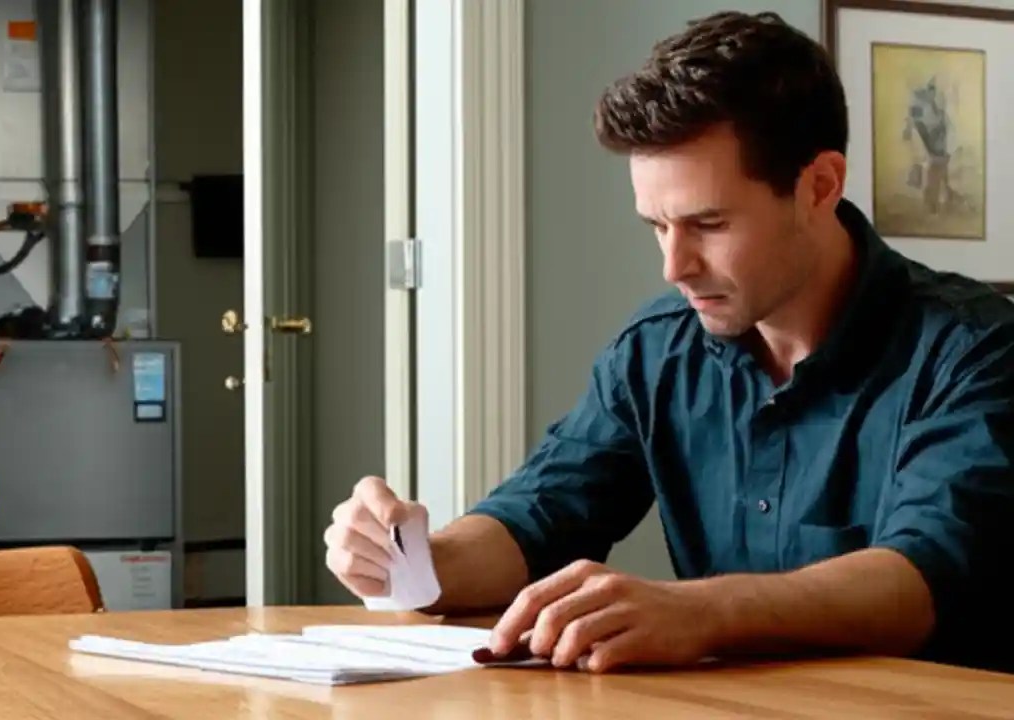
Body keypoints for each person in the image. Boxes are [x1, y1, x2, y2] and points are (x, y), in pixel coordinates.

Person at [322, 10, 1014, 675]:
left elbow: (921, 578)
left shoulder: (976, 350)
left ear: (820, 185)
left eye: (707, 223)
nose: (673, 265)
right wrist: (416, 560)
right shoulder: (656, 352)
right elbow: (539, 516)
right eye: (656, 225)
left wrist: (696, 611)